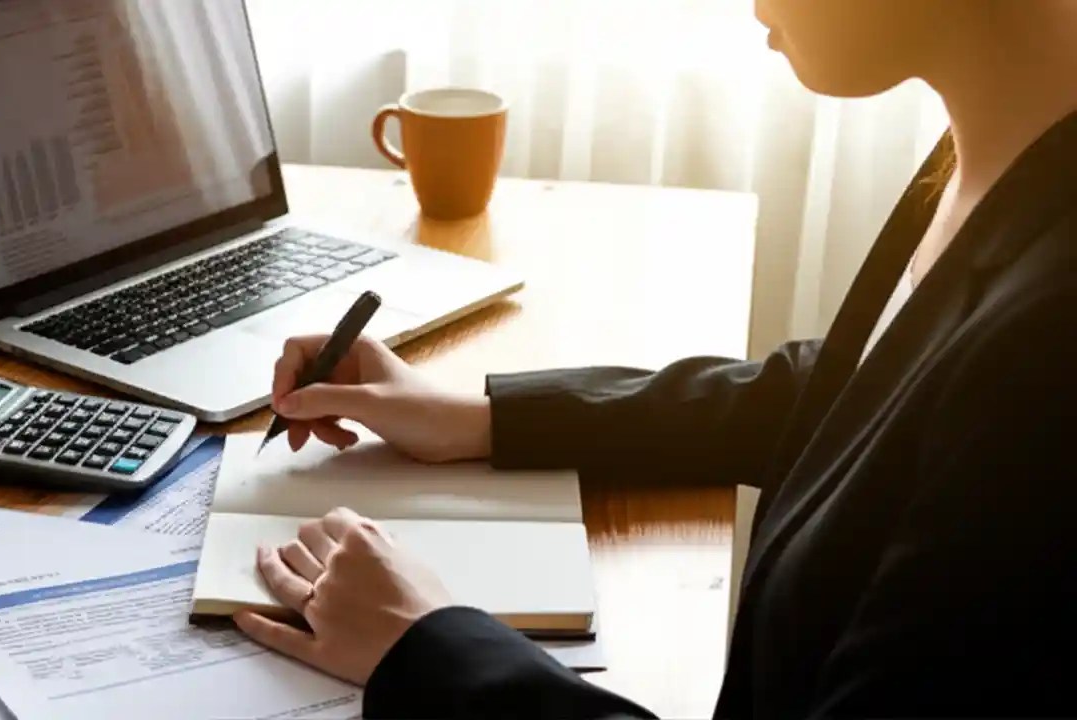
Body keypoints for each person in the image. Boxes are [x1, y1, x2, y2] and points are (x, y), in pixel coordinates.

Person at [233, 1, 1077, 716]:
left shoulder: (1047, 357)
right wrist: (483, 418)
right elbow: (858, 393)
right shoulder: (1005, 139)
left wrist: (432, 646)